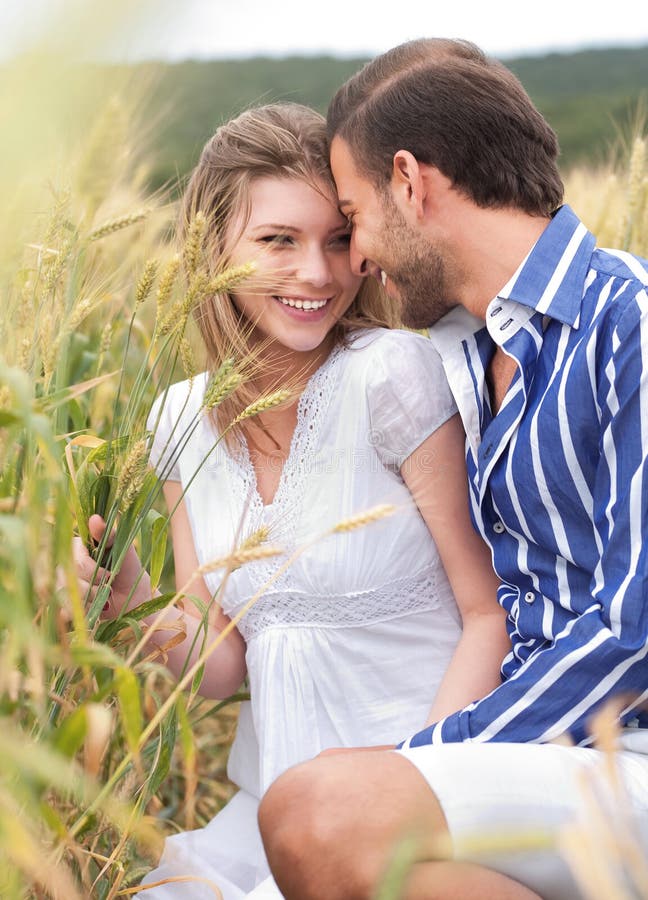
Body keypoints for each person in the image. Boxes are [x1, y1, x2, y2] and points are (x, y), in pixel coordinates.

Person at [74, 101, 510, 899]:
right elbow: (220, 662)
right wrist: (129, 599)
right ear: (213, 248)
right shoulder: (177, 415)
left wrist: (406, 787)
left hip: (422, 793)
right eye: (278, 240)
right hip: (269, 812)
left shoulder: (391, 375)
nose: (318, 273)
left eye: (338, 239)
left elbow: (489, 611)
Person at [254, 39, 648, 900]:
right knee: (318, 859)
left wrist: (431, 761)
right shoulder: (461, 356)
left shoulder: (632, 325)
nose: (356, 259)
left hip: (628, 754)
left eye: (353, 217)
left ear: (410, 181)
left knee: (320, 813)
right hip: (555, 769)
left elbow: (636, 629)